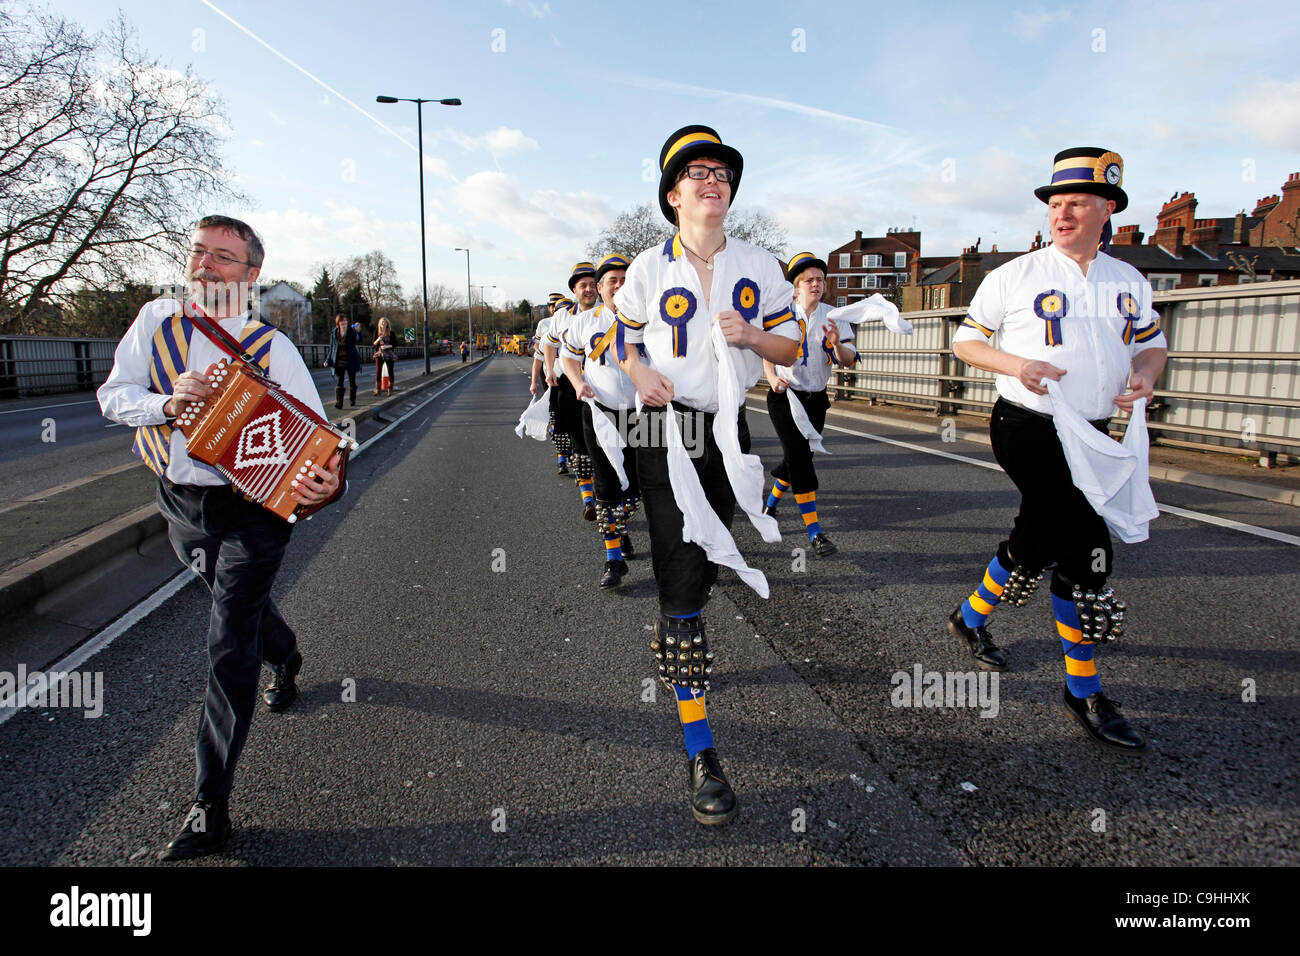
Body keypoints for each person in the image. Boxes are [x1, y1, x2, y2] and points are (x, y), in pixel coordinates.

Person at [98, 215, 343, 859]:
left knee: (228, 636)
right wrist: (165, 407)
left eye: (225, 258)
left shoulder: (273, 348)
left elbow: (321, 444)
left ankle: (211, 803)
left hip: (255, 512)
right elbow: (113, 395)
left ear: (252, 273)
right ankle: (286, 654)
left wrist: (328, 486)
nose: (206, 266)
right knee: (246, 613)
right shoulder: (157, 321)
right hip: (182, 502)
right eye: (199, 253)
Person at [947, 146, 1168, 752]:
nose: (1063, 214)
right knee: (1086, 543)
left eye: (1078, 203)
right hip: (1027, 423)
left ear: (1108, 211)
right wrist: (1019, 364)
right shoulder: (1015, 275)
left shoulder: (1130, 280)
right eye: (1056, 204)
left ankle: (970, 616)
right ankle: (1083, 690)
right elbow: (968, 343)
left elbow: (1152, 345)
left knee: (1036, 536)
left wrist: (1146, 375)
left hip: (1094, 431)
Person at [616, 125, 801, 824]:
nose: (711, 179)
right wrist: (638, 371)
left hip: (726, 425)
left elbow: (793, 341)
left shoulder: (759, 264)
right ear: (673, 195)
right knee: (682, 568)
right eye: (695, 173)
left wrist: (755, 338)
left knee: (704, 556)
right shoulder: (645, 266)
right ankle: (701, 751)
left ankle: (677, 617)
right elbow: (621, 334)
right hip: (662, 425)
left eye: (721, 172)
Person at [761, 252, 858, 557]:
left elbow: (848, 360)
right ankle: (815, 532)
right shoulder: (781, 314)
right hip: (785, 396)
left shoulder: (835, 316)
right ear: (796, 286)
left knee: (796, 458)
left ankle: (771, 505)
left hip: (816, 399)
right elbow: (767, 352)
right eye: (809, 280)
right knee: (800, 456)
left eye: (820, 279)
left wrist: (837, 342)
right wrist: (771, 377)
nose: (816, 284)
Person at [562, 253, 641, 588]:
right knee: (607, 484)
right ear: (600, 286)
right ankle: (613, 560)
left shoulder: (646, 318)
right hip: (599, 412)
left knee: (636, 487)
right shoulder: (585, 322)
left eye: (625, 280)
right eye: (613, 281)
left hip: (640, 415)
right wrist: (578, 382)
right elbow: (567, 357)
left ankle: (619, 526)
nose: (619, 286)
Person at [547, 263, 600, 521]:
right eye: (583, 286)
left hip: (602, 386)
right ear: (574, 290)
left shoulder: (609, 312)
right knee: (580, 443)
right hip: (571, 386)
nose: (588, 289)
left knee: (605, 445)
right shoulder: (563, 316)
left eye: (592, 284)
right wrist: (549, 370)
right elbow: (548, 343)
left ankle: (610, 497)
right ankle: (588, 497)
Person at [325, 313, 360, 409]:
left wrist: (357, 332)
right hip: (339, 360)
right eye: (341, 321)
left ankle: (353, 399)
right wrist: (328, 360)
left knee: (352, 381)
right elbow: (332, 347)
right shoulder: (334, 333)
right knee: (339, 382)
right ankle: (339, 402)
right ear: (338, 323)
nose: (344, 323)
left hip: (351, 360)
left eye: (345, 321)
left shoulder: (351, 331)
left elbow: (357, 339)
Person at [373, 317, 396, 396]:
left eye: (385, 322)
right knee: (378, 371)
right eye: (382, 322)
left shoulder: (391, 333)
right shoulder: (377, 332)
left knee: (390, 371)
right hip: (379, 353)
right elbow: (374, 343)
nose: (383, 324)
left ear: (387, 324)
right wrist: (378, 340)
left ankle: (390, 389)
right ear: (380, 324)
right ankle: (378, 390)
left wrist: (386, 347)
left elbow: (395, 344)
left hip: (389, 353)